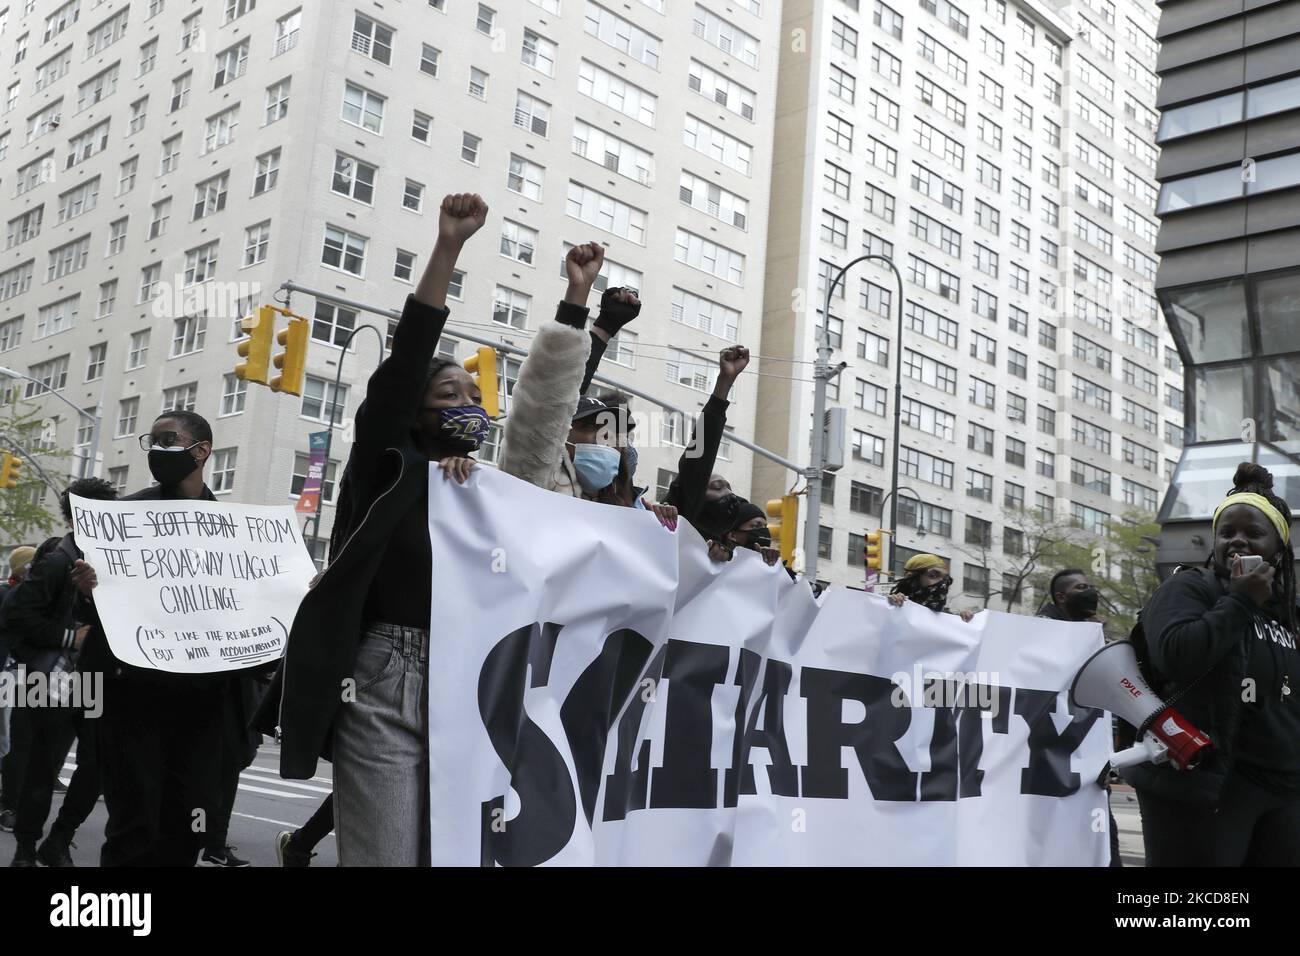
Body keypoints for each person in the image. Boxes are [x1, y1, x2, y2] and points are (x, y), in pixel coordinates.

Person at [267, 193, 492, 865]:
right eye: (449, 394)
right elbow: (405, 363)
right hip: (387, 675)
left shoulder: (485, 494)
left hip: (469, 682)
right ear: (414, 409)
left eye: (476, 398)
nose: (467, 405)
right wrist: (448, 248)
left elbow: (549, 435)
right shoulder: (387, 465)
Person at [70, 409, 254, 867]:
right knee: (133, 822)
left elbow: (248, 604)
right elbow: (84, 610)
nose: (156, 451)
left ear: (202, 451)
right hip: (134, 695)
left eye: (168, 440)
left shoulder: (237, 531)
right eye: (151, 442)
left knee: (188, 821)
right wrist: (90, 592)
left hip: (204, 701)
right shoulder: (123, 517)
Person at [1127, 462, 1300, 866]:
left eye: (1253, 533)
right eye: (1227, 533)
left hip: (1281, 788)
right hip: (1206, 785)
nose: (1237, 541)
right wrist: (1239, 600)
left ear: (1279, 546)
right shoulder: (1189, 587)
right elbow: (1178, 656)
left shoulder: (1284, 613)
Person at [4, 479, 119, 867]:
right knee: (42, 764)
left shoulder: (111, 558)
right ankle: (25, 849)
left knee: (97, 763)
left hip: (93, 678)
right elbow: (17, 615)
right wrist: (71, 638)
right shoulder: (57, 558)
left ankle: (58, 839)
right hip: (49, 678)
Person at [1036, 568, 1121, 867]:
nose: (1092, 591)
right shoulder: (1037, 632)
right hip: (1047, 761)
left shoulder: (1090, 633)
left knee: (1104, 848)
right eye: (1082, 587)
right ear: (1061, 596)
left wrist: (1096, 638)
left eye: (1092, 586)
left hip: (1088, 765)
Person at [663, 348, 750, 532]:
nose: (726, 488)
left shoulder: (680, 515)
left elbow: (701, 453)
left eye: (718, 488)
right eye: (729, 487)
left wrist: (725, 382)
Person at [0, 544, 37, 830]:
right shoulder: (10, 595)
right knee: (7, 740)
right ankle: (9, 805)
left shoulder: (34, 595)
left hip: (24, 679)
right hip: (8, 676)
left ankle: (10, 802)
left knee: (15, 741)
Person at [886, 555, 976, 622]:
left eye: (945, 579)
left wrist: (963, 621)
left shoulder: (949, 620)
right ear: (913, 579)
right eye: (933, 575)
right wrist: (890, 606)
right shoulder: (894, 607)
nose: (942, 584)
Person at [1040, 568, 1106, 626]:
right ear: (1061, 597)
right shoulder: (1043, 626)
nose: (1091, 592)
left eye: (1091, 587)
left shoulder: (1086, 624)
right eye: (1082, 587)